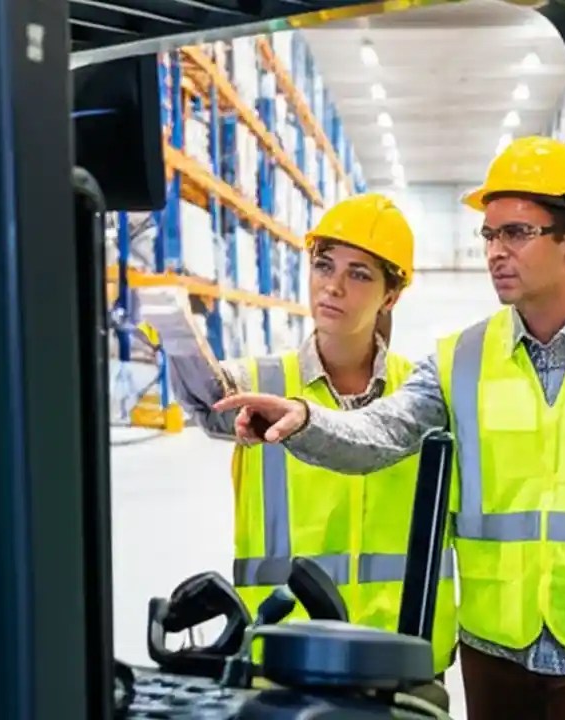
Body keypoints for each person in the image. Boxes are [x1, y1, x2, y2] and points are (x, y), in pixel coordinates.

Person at [213, 136, 565, 720]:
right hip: (492, 651)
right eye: (490, 234)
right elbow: (381, 432)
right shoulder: (463, 356)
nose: (496, 251)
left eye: (517, 233)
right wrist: (307, 420)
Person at [154, 193, 459, 678]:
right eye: (323, 265)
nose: (332, 286)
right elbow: (209, 402)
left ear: (391, 295)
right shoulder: (262, 384)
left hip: (401, 652)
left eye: (359, 274)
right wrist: (178, 339)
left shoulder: (425, 395)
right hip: (285, 649)